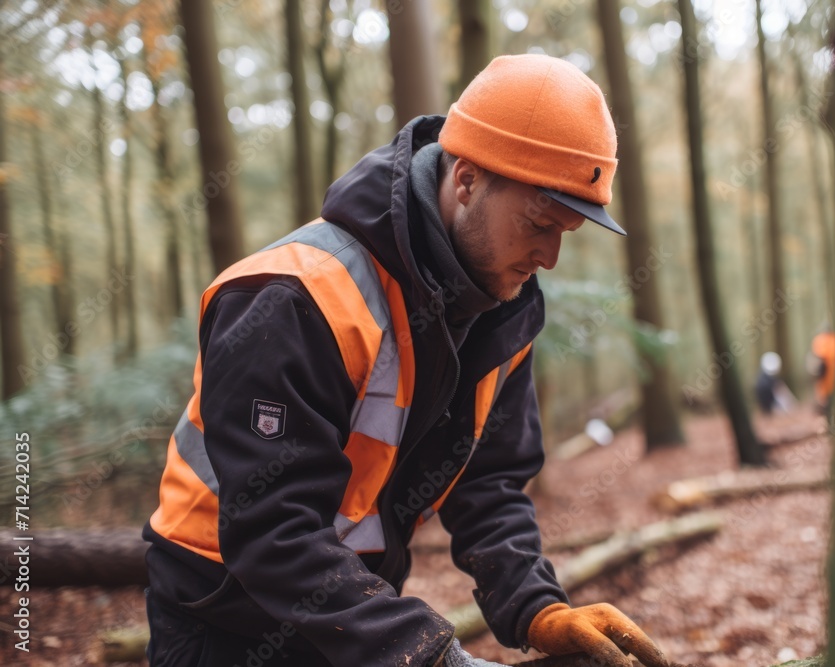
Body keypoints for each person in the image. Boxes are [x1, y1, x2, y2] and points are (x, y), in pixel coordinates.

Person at [143, 55, 674, 667]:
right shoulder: (291, 298)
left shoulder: (503, 308)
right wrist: (430, 655)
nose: (549, 257)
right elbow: (272, 529)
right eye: (538, 224)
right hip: (222, 618)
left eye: (567, 233)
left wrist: (537, 608)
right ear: (468, 180)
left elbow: (490, 484)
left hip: (355, 614)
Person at [807, 325, 835, 418]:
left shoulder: (819, 341)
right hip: (830, 379)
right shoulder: (834, 340)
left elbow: (816, 361)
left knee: (825, 400)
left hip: (826, 379)